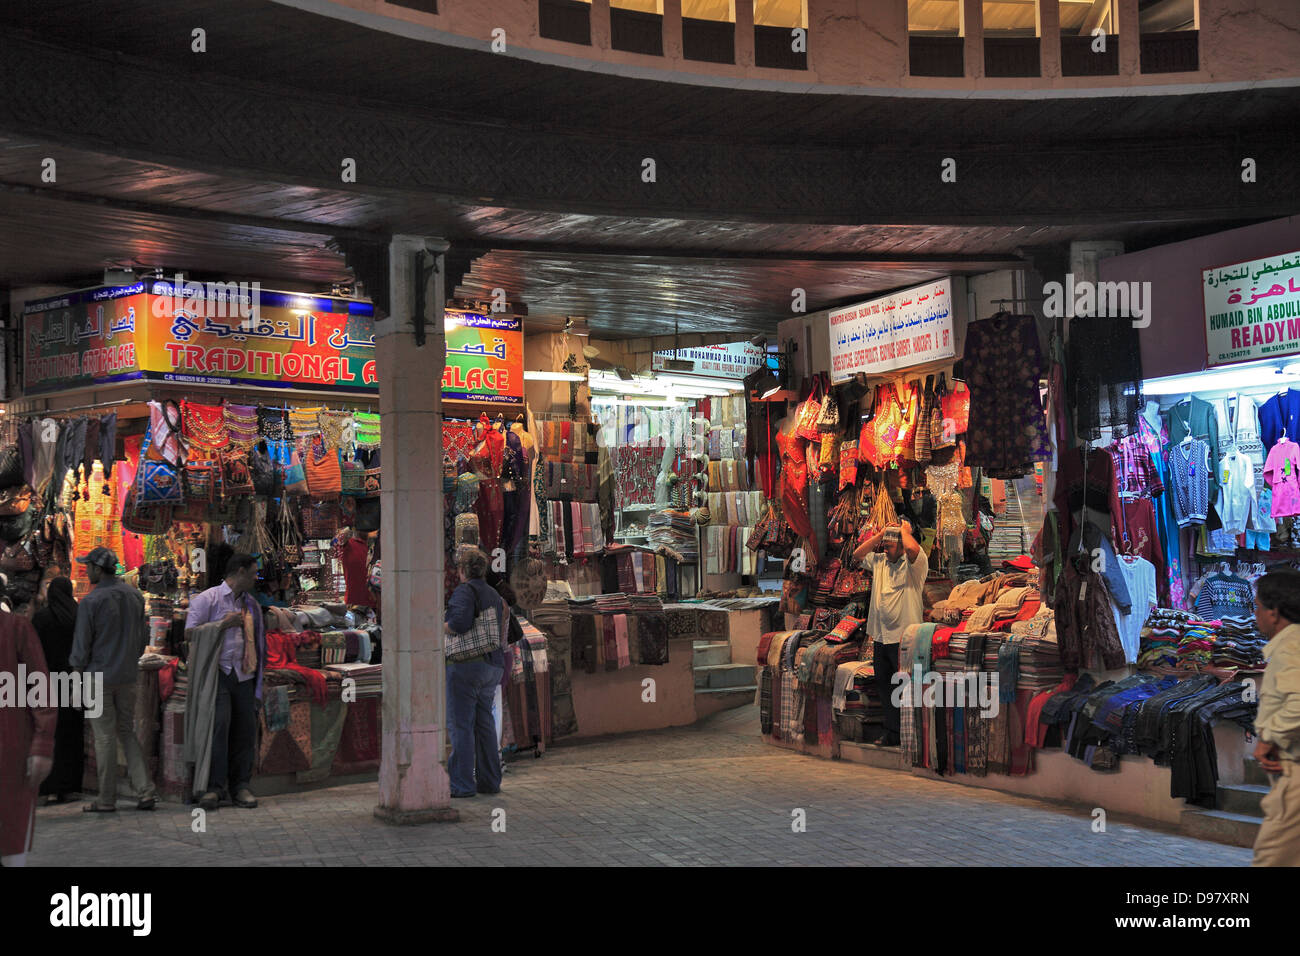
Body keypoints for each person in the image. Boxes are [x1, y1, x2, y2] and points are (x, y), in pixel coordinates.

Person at [68, 547, 156, 813]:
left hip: (98, 677)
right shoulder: (134, 596)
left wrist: (75, 679)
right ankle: (145, 790)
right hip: (128, 676)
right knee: (127, 732)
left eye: (88, 566)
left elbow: (81, 647)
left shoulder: (91, 601)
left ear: (97, 568)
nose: (86, 570)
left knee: (104, 736)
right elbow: (142, 641)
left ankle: (106, 799)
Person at [185, 552, 266, 811]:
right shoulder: (208, 599)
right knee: (218, 728)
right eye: (253, 573)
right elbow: (190, 633)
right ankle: (214, 787)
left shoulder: (251, 605)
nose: (256, 578)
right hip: (218, 673)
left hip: (245, 674)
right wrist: (221, 625)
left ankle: (240, 786)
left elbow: (260, 642)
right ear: (240, 572)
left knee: (245, 731)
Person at [853, 519, 929, 747]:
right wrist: (881, 535)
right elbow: (856, 555)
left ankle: (913, 735)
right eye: (884, 543)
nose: (886, 547)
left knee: (908, 689)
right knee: (886, 688)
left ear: (902, 544)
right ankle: (893, 733)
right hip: (881, 637)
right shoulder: (878, 562)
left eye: (890, 543)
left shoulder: (915, 565)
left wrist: (903, 531)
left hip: (906, 640)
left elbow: (914, 548)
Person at [445, 545, 506, 798]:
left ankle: (462, 785)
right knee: (484, 724)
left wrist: (442, 625)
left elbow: (459, 624)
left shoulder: (464, 591)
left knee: (461, 725)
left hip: (467, 666)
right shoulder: (493, 593)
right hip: (492, 665)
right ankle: (490, 781)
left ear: (462, 571)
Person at [0, 586, 55, 866]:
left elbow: (41, 690)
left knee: (10, 835)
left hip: (11, 753)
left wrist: (42, 746)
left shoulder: (16, 629)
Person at [1252, 569, 1300, 866]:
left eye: (1257, 607)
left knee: (1273, 858)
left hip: (1295, 775)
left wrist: (1270, 738)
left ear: (1275, 613)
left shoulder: (1291, 648)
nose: (1254, 615)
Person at [33, 577, 84, 804]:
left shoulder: (42, 617)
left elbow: (33, 650)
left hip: (47, 681)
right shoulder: (80, 615)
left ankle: (46, 789)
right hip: (75, 681)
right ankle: (69, 787)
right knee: (72, 733)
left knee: (49, 732)